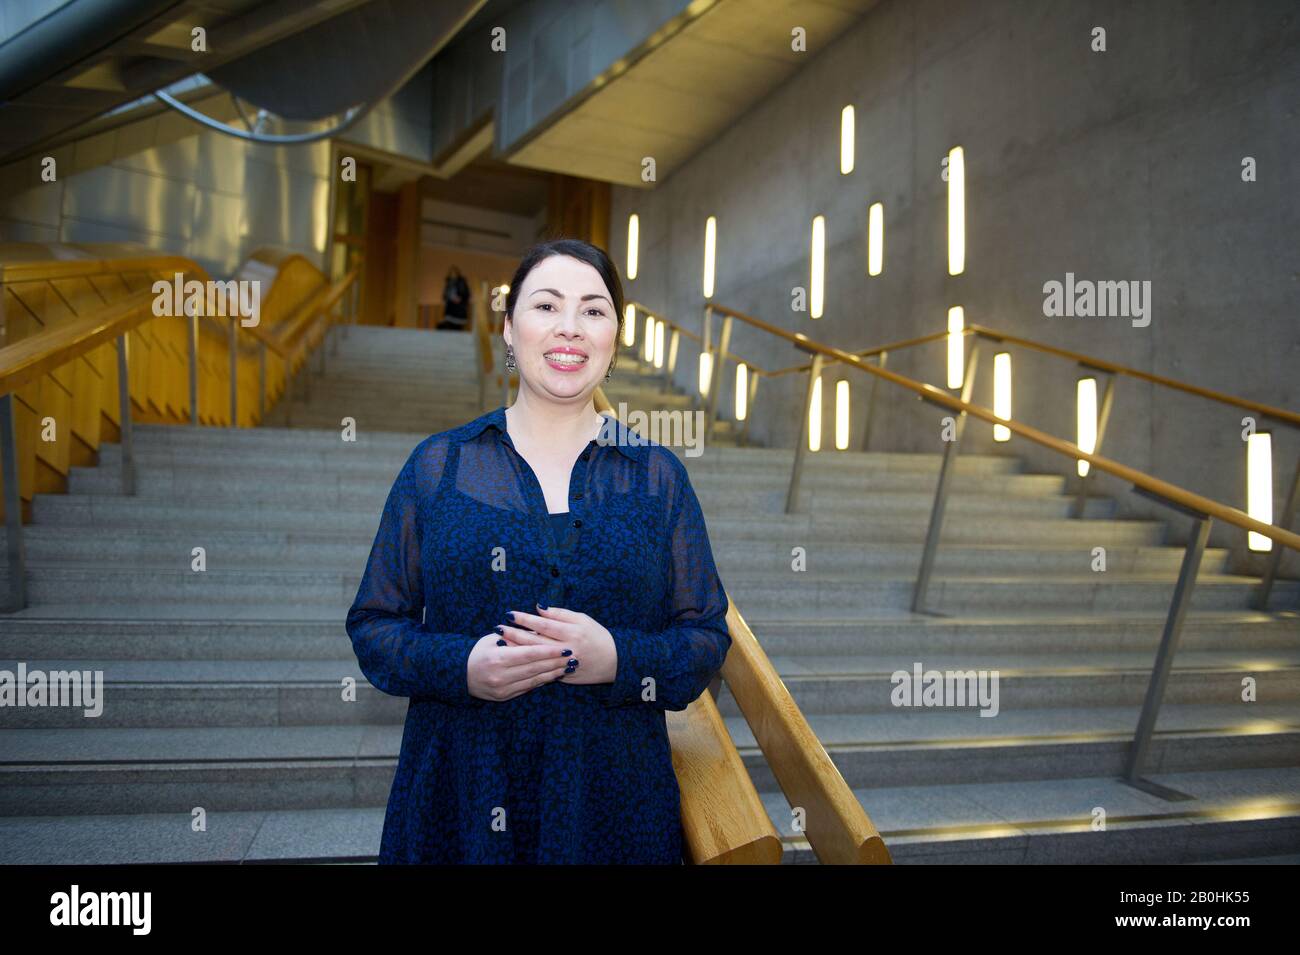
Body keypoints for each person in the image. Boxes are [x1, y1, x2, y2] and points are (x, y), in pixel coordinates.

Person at [345, 238, 732, 863]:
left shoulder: (656, 476)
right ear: (509, 328)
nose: (570, 328)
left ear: (614, 337)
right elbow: (373, 627)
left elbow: (706, 638)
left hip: (614, 802)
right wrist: (463, 667)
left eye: (594, 310)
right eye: (547, 306)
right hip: (463, 793)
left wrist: (618, 657)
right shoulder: (439, 467)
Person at [438, 265, 471, 330]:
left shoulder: (462, 282)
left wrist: (460, 299)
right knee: (448, 326)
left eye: (454, 273)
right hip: (450, 309)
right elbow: (444, 296)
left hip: (459, 311)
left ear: (457, 273)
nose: (453, 275)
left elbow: (466, 294)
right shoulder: (448, 283)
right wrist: (448, 297)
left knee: (457, 327)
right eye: (451, 273)